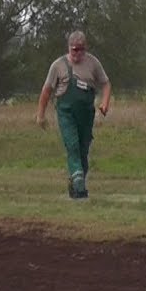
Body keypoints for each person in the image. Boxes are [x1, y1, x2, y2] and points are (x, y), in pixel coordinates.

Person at [36, 31, 111, 199]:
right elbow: (46, 91)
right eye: (74, 50)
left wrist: (105, 103)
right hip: (66, 113)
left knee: (83, 150)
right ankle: (79, 188)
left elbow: (106, 84)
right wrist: (40, 115)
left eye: (81, 50)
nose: (77, 53)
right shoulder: (58, 66)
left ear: (86, 48)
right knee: (73, 146)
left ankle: (76, 182)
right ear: (69, 48)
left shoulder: (93, 63)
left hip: (87, 113)